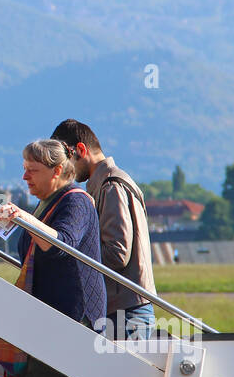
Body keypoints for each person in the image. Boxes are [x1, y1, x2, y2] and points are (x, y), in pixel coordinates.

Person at [0, 140, 106, 377]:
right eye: (25, 169)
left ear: (58, 170)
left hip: (76, 319)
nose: (25, 177)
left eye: (33, 170)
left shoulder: (77, 202)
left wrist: (24, 219)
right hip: (52, 319)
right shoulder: (49, 204)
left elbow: (62, 244)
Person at [52, 119, 156, 341]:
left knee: (124, 376)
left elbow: (117, 253)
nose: (65, 169)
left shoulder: (111, 186)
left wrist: (72, 258)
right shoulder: (103, 184)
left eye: (66, 160)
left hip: (126, 313)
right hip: (123, 310)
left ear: (81, 150)